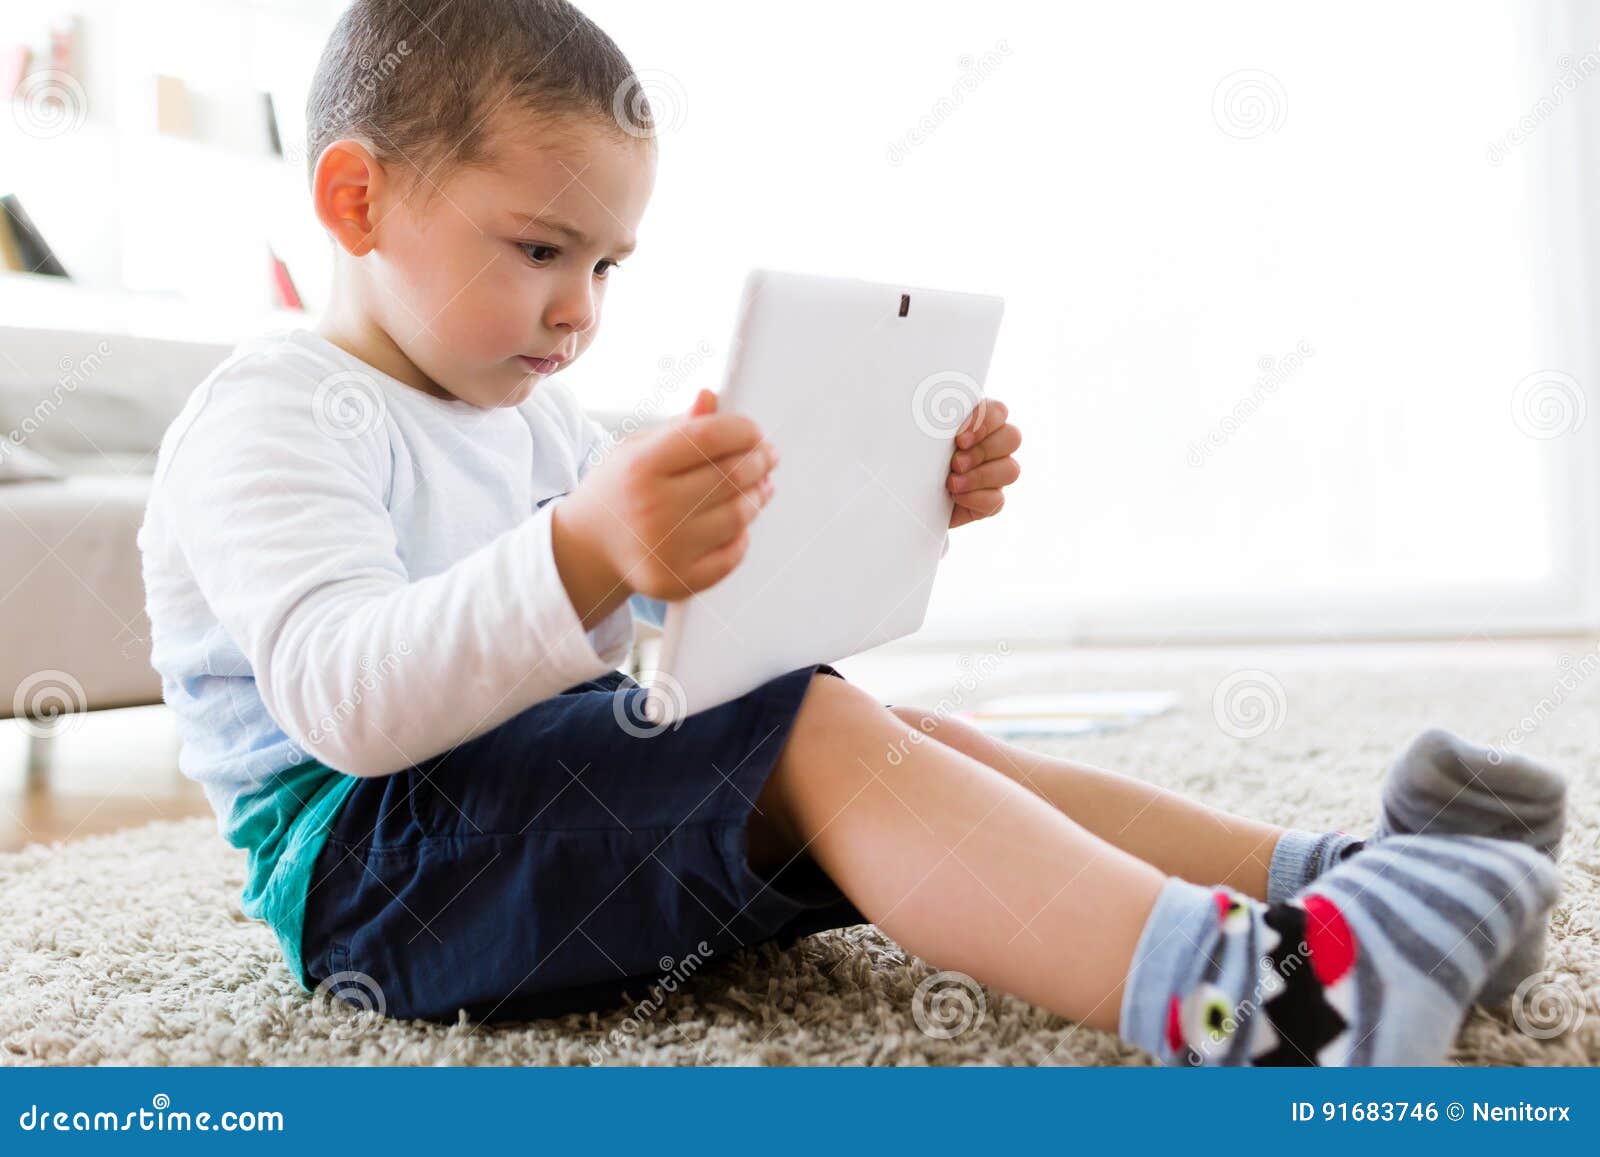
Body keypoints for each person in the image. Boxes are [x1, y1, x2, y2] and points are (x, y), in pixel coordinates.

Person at [137, 0, 1566, 1065]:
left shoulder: (525, 418)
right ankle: (1283, 1007)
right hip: (373, 878)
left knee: (894, 740)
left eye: (608, 264)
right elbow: (347, 702)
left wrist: (867, 500)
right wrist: (586, 544)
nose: (581, 308)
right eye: (539, 250)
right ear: (356, 197)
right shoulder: (273, 416)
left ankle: (1327, 881)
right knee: (811, 739)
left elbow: (648, 634)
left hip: (515, 799)